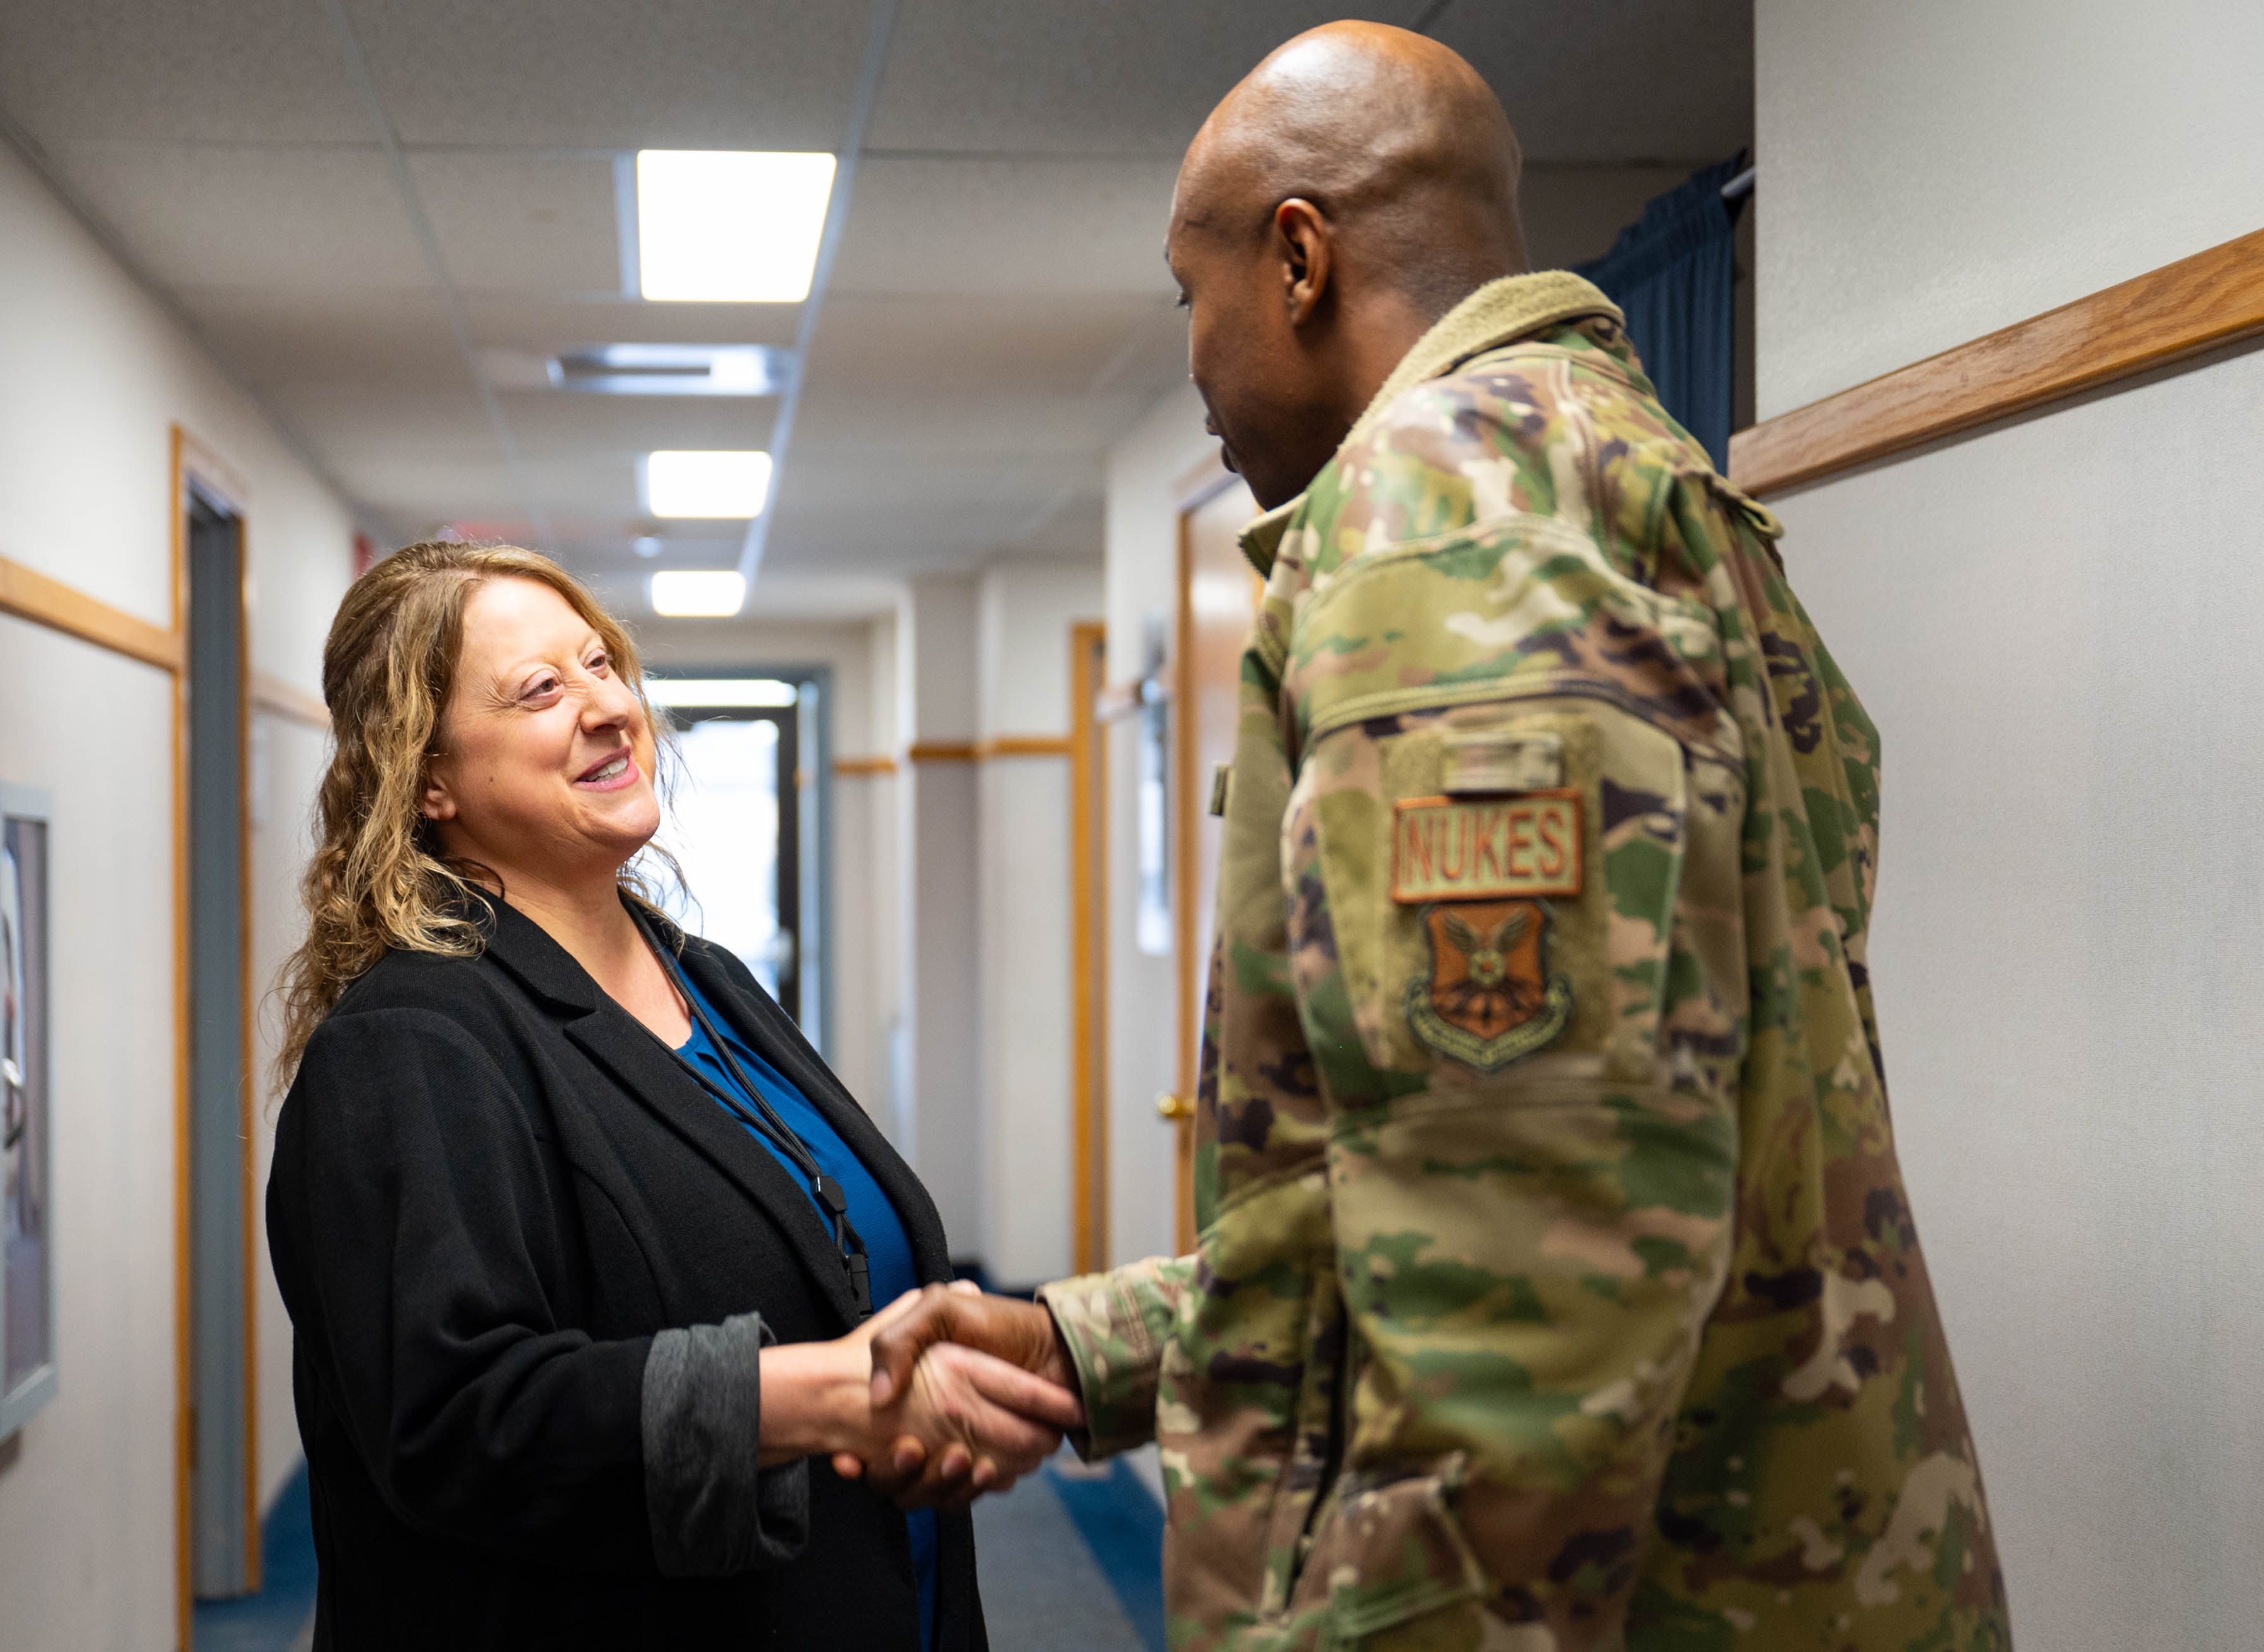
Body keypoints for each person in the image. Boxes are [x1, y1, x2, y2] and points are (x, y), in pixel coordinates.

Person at [867, 21, 2010, 1651]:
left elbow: (1526, 1329)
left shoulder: (1451, 539)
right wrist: (1087, 1347)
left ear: (1298, 258)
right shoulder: (1627, 478)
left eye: (1190, 297)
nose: (1193, 360)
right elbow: (1475, 1178)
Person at [265, 541, 1078, 1651]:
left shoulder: (706, 976)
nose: (606, 707)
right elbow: (453, 1422)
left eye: (601, 664)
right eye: (540, 689)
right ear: (429, 779)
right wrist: (815, 1398)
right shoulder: (413, 1043)